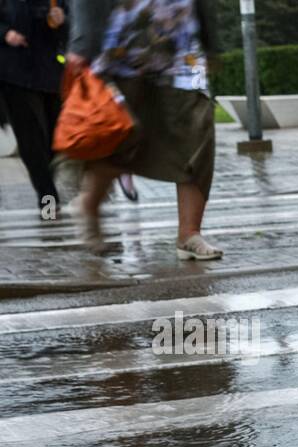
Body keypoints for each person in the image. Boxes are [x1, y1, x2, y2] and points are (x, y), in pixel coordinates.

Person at [68, 0, 222, 258]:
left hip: (185, 50)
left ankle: (189, 234)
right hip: (124, 47)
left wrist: (211, 40)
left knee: (198, 134)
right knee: (120, 140)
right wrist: (82, 42)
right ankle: (88, 206)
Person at [0, 0, 67, 215]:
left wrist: (62, 19)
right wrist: (5, 33)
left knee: (54, 138)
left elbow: (69, 18)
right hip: (13, 72)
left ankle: (47, 186)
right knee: (31, 139)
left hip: (49, 71)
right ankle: (47, 197)